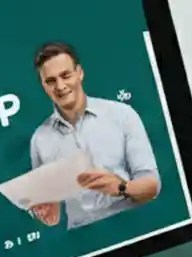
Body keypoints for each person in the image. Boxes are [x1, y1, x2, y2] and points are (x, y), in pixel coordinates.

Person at [28, 41, 161, 230]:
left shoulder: (122, 115)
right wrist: (44, 212)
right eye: (51, 81)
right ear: (43, 85)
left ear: (80, 73)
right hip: (83, 241)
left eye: (66, 75)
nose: (60, 86)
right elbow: (52, 215)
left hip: (134, 226)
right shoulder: (39, 140)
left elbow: (152, 186)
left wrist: (121, 187)